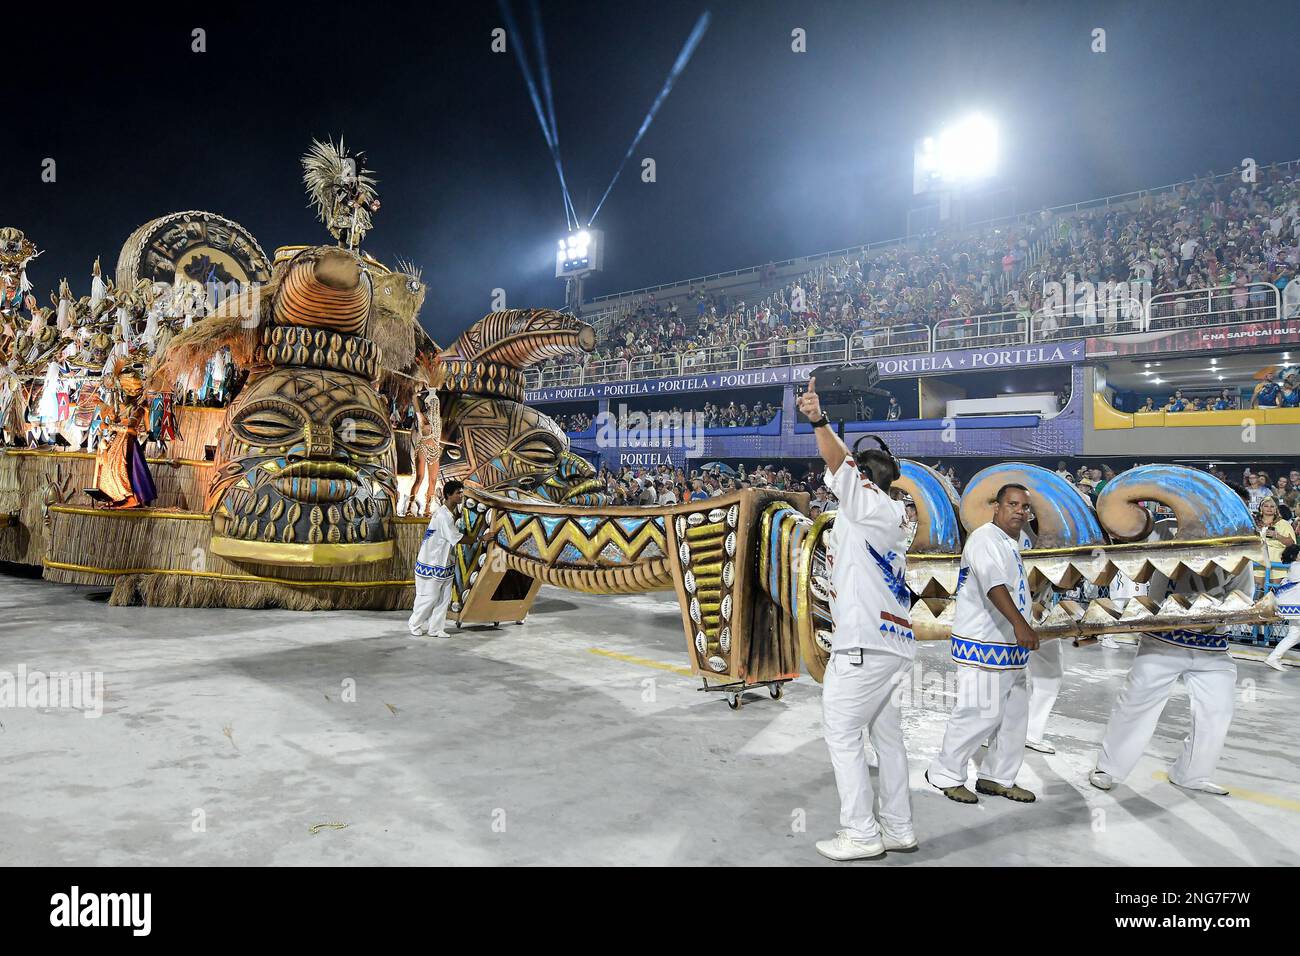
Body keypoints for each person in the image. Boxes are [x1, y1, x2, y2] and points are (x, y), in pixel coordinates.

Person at [797, 376, 917, 862]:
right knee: (887, 739)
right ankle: (898, 827)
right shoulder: (889, 518)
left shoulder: (867, 504)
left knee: (843, 734)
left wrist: (818, 419)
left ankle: (861, 834)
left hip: (865, 644)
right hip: (893, 645)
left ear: (865, 480)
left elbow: (838, 464)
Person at [1089, 490, 1254, 795]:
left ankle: (1192, 773)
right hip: (1163, 638)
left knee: (1217, 710)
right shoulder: (1164, 530)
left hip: (1213, 646)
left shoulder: (1239, 547)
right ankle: (1108, 768)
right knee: (1137, 702)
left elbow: (1242, 597)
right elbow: (1131, 549)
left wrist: (1215, 617)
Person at [926, 483, 1041, 805]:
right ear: (997, 506)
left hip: (1009, 646)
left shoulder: (1011, 543)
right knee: (980, 712)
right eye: (1013, 504)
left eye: (1024, 507)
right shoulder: (984, 539)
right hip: (985, 642)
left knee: (1014, 717)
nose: (1019, 511)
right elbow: (994, 586)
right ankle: (945, 773)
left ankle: (997, 777)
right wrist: (1021, 624)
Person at [408, 480, 465, 638]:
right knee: (429, 597)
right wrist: (481, 537)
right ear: (448, 495)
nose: (461, 496)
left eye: (462, 492)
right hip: (432, 562)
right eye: (458, 493)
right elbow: (456, 538)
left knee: (443, 599)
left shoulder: (452, 513)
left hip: (444, 563)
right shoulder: (443, 515)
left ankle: (436, 629)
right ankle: (414, 624)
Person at [1265, 544, 1300, 672]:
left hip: (1292, 606)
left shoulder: (1294, 567)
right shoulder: (1297, 567)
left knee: (1294, 635)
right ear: (1295, 556)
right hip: (1296, 606)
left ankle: (1273, 658)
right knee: (1294, 634)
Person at [1257, 496, 1296, 567]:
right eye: (1266, 506)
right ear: (1261, 508)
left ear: (1276, 509)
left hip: (1278, 565)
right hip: (1257, 564)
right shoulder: (1254, 523)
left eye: (1272, 506)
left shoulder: (1284, 524)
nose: (1269, 508)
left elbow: (1291, 544)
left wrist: (1277, 536)